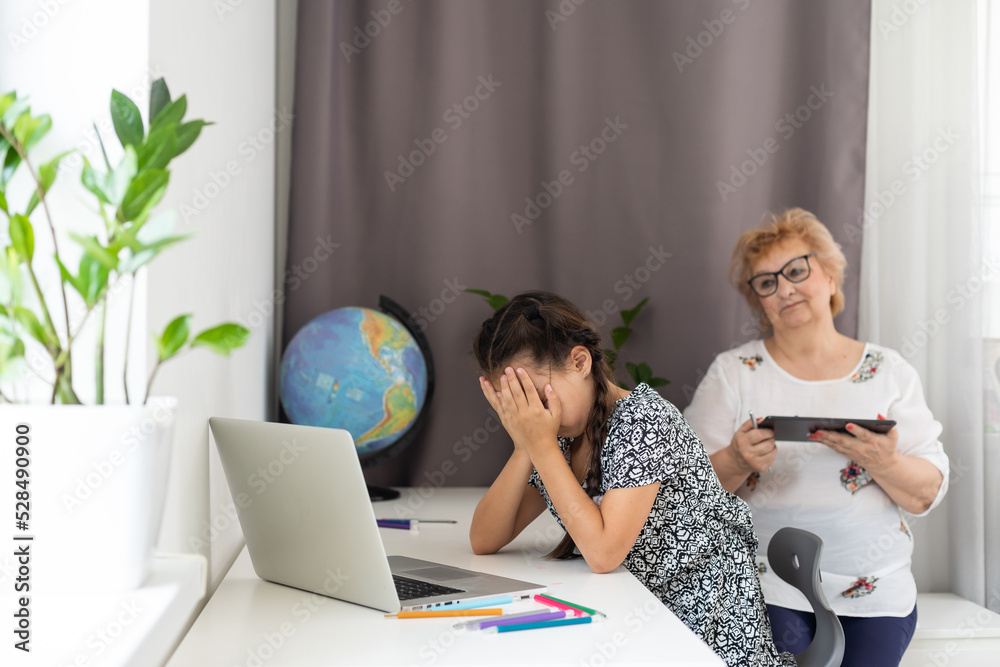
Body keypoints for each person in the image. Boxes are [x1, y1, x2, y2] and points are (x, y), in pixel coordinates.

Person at [469, 290, 795, 667]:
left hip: (705, 627)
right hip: (638, 614)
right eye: (518, 403)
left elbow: (604, 553)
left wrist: (539, 444)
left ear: (579, 362)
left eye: (538, 397)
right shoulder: (556, 438)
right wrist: (525, 444)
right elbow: (485, 539)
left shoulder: (644, 420)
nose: (534, 414)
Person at [683, 208, 949, 666]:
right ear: (759, 301)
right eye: (766, 282)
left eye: (796, 270)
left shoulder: (889, 372)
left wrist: (884, 462)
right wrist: (736, 458)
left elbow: (926, 493)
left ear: (830, 275)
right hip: (767, 586)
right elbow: (686, 489)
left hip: (877, 590)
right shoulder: (733, 373)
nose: (783, 288)